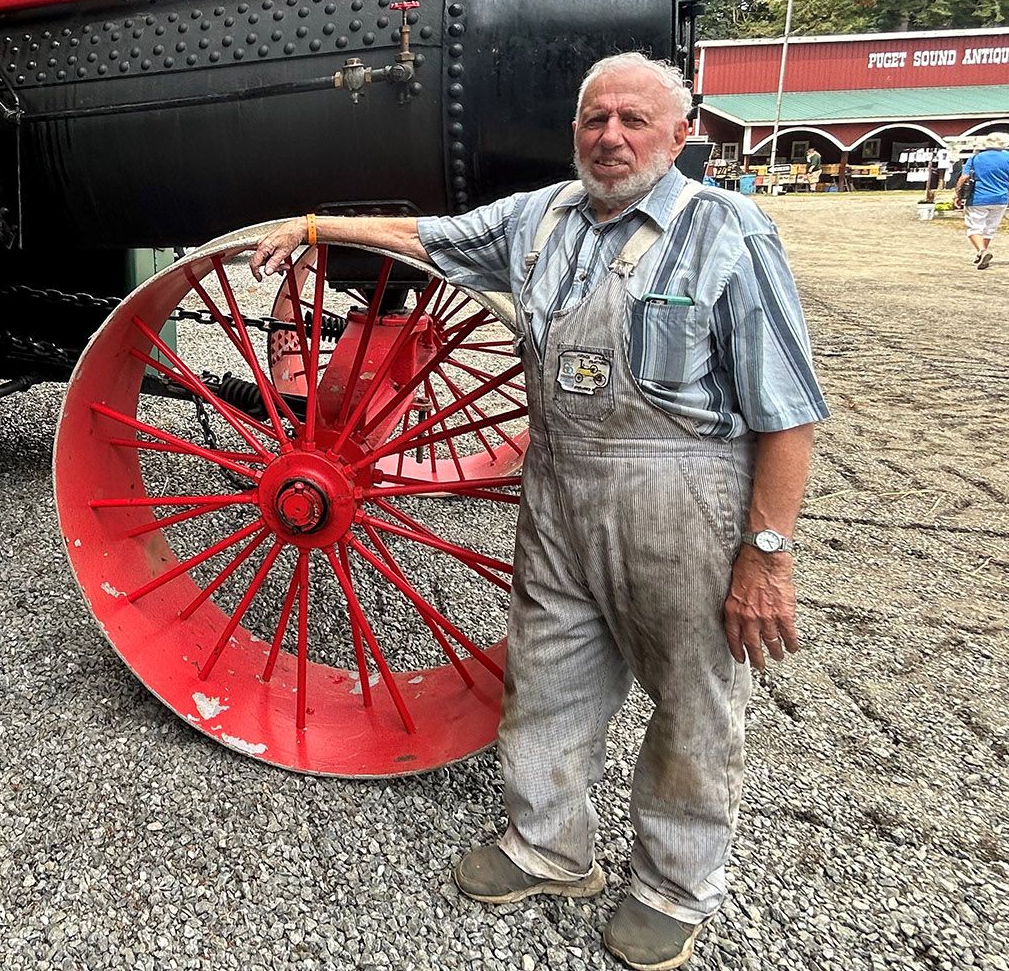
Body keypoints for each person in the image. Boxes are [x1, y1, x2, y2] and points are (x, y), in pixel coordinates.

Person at [250, 52, 827, 971]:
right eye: (596, 120)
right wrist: (318, 222)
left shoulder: (731, 233)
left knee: (693, 700)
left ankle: (674, 888)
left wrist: (766, 554)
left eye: (636, 121)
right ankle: (549, 847)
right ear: (575, 133)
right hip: (556, 486)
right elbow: (428, 240)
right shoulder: (538, 217)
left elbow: (789, 413)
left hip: (679, 500)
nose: (611, 138)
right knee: (548, 672)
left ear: (682, 136)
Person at [951, 133, 1009, 269]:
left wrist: (958, 195)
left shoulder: (975, 158)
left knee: (974, 227)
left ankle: (982, 251)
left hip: (978, 198)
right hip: (1000, 198)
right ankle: (982, 253)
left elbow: (964, 178)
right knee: (990, 228)